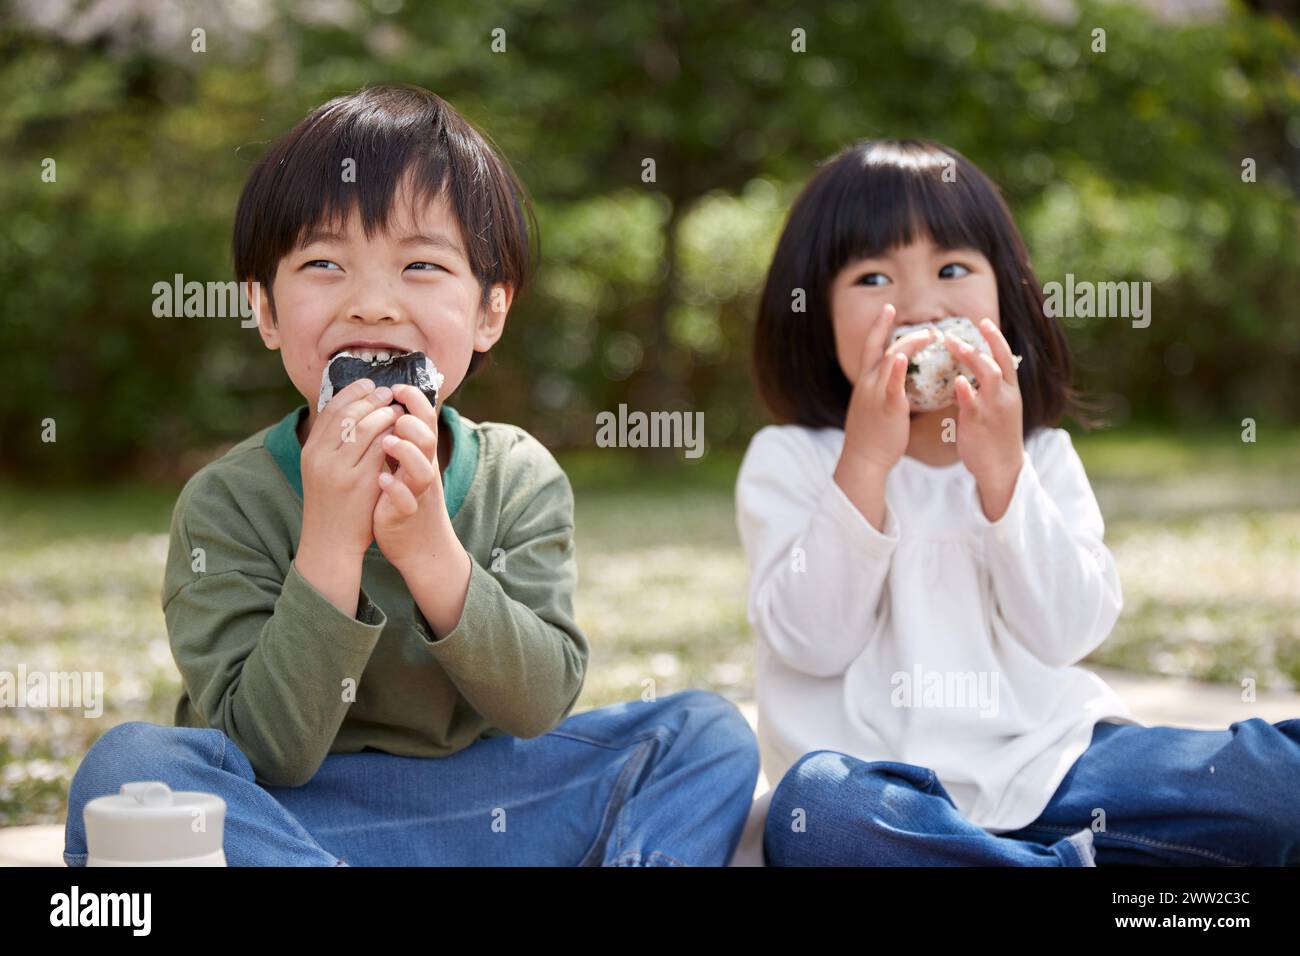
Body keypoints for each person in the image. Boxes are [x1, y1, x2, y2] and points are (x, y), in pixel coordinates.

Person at [64, 84, 759, 867]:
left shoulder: (517, 476)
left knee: (703, 733)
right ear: (264, 311)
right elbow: (267, 752)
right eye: (324, 263)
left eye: (421, 264)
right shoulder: (228, 503)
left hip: (503, 805)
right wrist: (329, 537)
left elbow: (538, 705)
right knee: (128, 770)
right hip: (307, 821)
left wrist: (430, 549)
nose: (370, 304)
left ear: (490, 311)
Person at [736, 138, 1300, 866]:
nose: (919, 303)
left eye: (952, 268)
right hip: (886, 793)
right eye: (873, 276)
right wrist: (865, 463)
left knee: (1274, 778)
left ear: (1006, 293)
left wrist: (1003, 474)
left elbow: (1069, 630)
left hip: (1054, 766)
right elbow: (812, 641)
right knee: (814, 811)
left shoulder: (1039, 453)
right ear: (813, 313)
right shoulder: (791, 460)